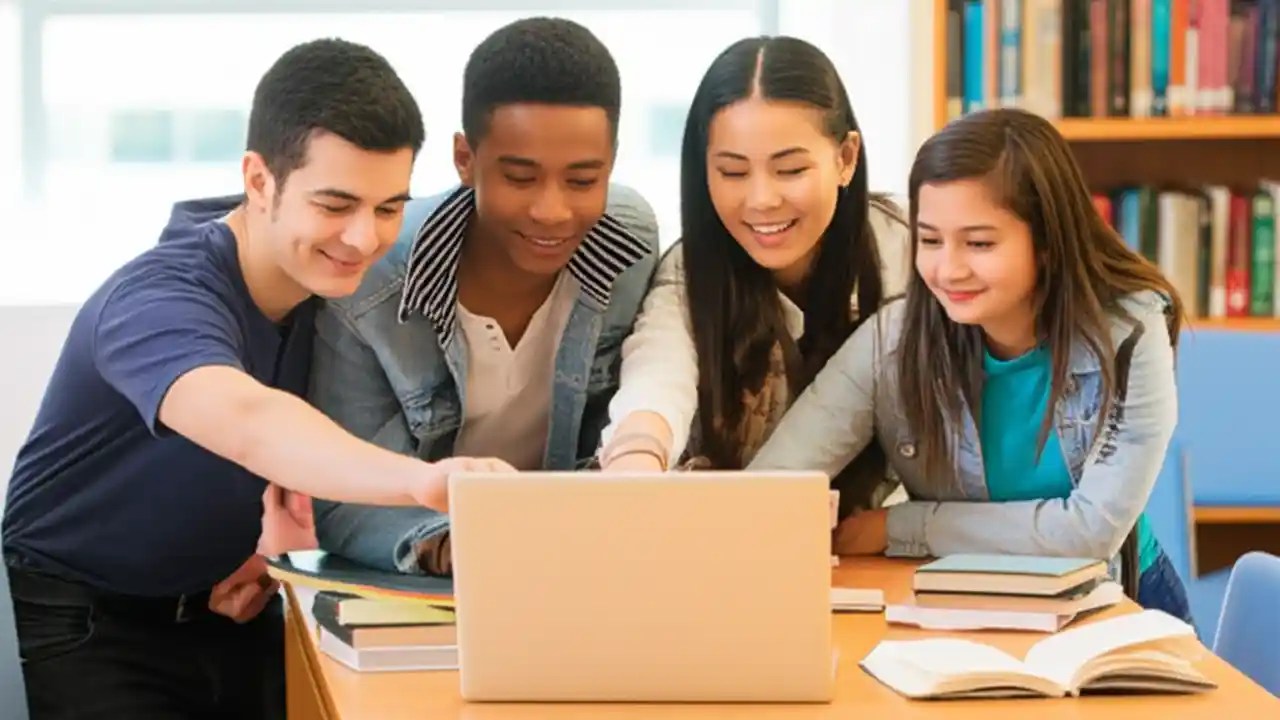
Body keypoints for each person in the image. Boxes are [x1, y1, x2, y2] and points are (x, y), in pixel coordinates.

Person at [2, 38, 510, 720]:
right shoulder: (158, 298)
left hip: (226, 608)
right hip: (80, 620)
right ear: (259, 180)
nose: (363, 237)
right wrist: (421, 481)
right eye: (335, 205)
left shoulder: (327, 290)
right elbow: (246, 420)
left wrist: (258, 554)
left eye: (388, 207)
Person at [748, 107, 1194, 623]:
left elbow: (1089, 532)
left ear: (1047, 242)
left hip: (1116, 603)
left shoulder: (1130, 334)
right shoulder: (891, 342)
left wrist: (900, 527)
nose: (948, 270)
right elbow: (771, 488)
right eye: (931, 240)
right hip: (960, 601)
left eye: (979, 243)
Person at [308, 17, 660, 576]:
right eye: (520, 178)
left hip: (582, 566)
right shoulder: (372, 278)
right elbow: (345, 506)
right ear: (464, 159)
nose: (552, 210)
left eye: (582, 180)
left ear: (611, 162)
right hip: (451, 579)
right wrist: (465, 547)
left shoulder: (627, 242)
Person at [597, 36, 910, 518]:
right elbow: (658, 376)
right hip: (740, 548)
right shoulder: (688, 275)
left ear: (845, 158)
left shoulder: (914, 250)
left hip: (896, 556)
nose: (761, 200)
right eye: (733, 172)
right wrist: (637, 453)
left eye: (789, 169)